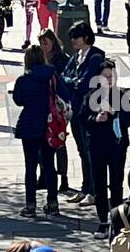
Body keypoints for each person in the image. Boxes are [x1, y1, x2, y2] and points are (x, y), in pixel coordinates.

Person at [12, 45, 71, 217]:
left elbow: (18, 100)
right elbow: (65, 94)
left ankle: (30, 205)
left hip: (29, 125)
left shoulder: (23, 80)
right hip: (49, 124)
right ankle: (52, 203)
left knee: (30, 166)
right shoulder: (52, 76)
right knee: (49, 165)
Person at [87, 59, 130, 235]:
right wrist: (95, 119)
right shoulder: (91, 96)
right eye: (105, 76)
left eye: (111, 76)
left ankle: (117, 220)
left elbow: (128, 119)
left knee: (116, 184)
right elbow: (83, 119)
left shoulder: (121, 96)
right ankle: (103, 220)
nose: (109, 79)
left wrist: (114, 114)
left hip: (117, 146)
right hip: (97, 145)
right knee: (99, 185)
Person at [64, 21, 104, 201]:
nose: (73, 40)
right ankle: (85, 186)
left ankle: (94, 190)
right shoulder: (76, 56)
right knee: (81, 149)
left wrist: (73, 81)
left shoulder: (96, 56)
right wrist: (73, 81)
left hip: (90, 109)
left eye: (76, 37)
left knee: (90, 150)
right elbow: (64, 76)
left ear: (86, 37)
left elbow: (85, 82)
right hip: (76, 109)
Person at [38, 28, 73, 194]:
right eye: (41, 43)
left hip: (58, 106)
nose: (44, 46)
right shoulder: (38, 58)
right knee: (42, 142)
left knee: (59, 141)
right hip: (43, 104)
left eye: (46, 42)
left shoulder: (61, 59)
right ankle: (43, 174)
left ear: (53, 41)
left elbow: (64, 82)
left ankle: (63, 176)